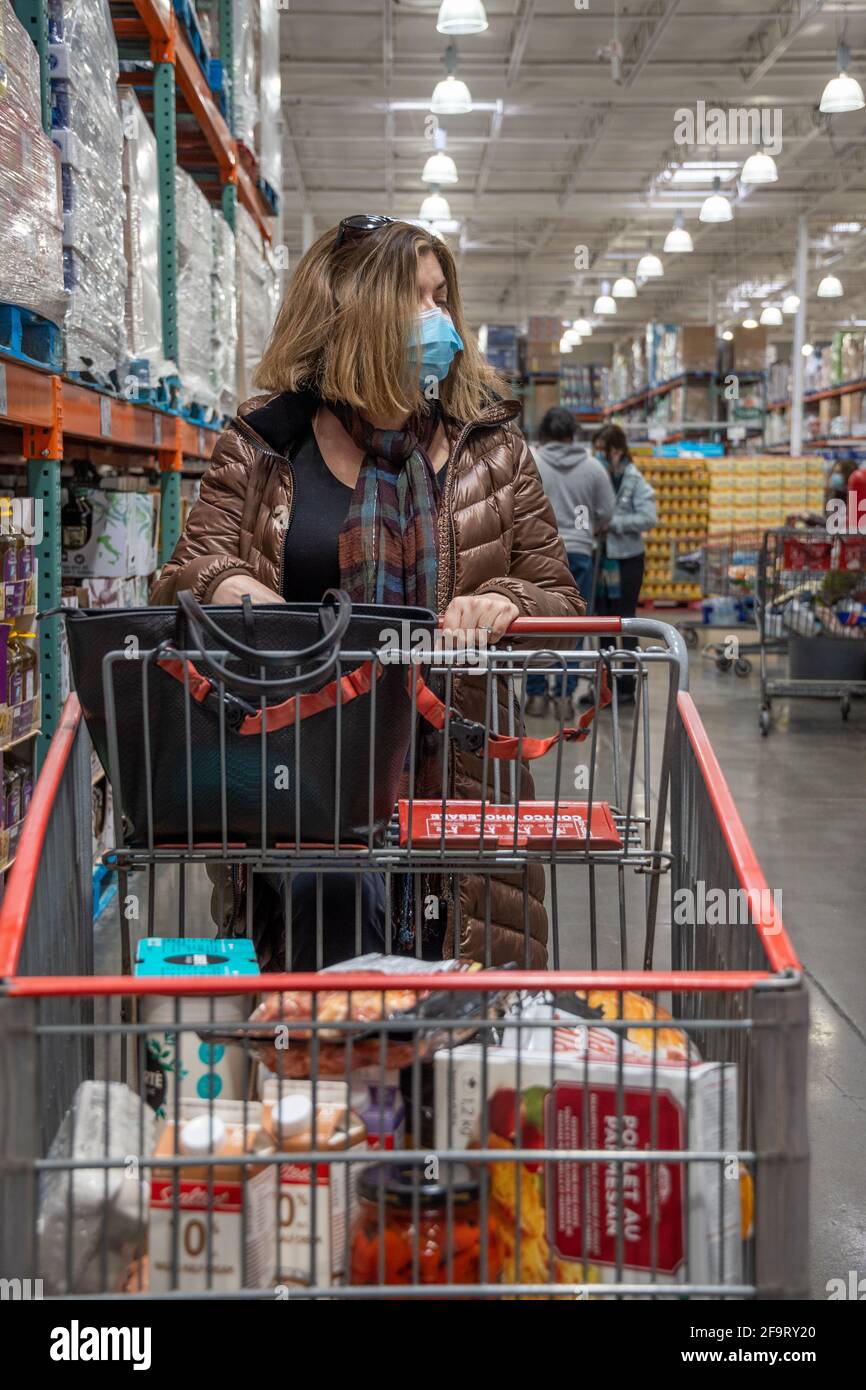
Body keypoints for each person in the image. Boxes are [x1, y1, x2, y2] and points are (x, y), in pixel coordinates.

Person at [151, 215, 584, 970]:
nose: (439, 321)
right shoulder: (265, 443)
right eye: (417, 301)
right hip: (301, 777)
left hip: (461, 781)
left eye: (442, 298)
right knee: (320, 1019)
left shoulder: (493, 449)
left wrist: (508, 597)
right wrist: (231, 583)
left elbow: (561, 597)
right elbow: (185, 571)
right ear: (357, 318)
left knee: (462, 1038)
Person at [525, 406, 615, 717]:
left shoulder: (530, 461)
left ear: (544, 433)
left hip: (537, 553)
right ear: (572, 434)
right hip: (579, 553)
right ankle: (564, 696)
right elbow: (606, 512)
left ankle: (536, 695)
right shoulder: (594, 468)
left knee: (535, 623)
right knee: (574, 624)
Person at [590, 423, 657, 703]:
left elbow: (648, 518)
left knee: (626, 622)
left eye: (604, 452)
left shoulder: (634, 480)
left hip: (628, 560)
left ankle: (627, 687)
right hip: (602, 560)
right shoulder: (597, 477)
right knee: (603, 624)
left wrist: (612, 524)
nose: (600, 457)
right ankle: (605, 689)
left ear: (617, 451)